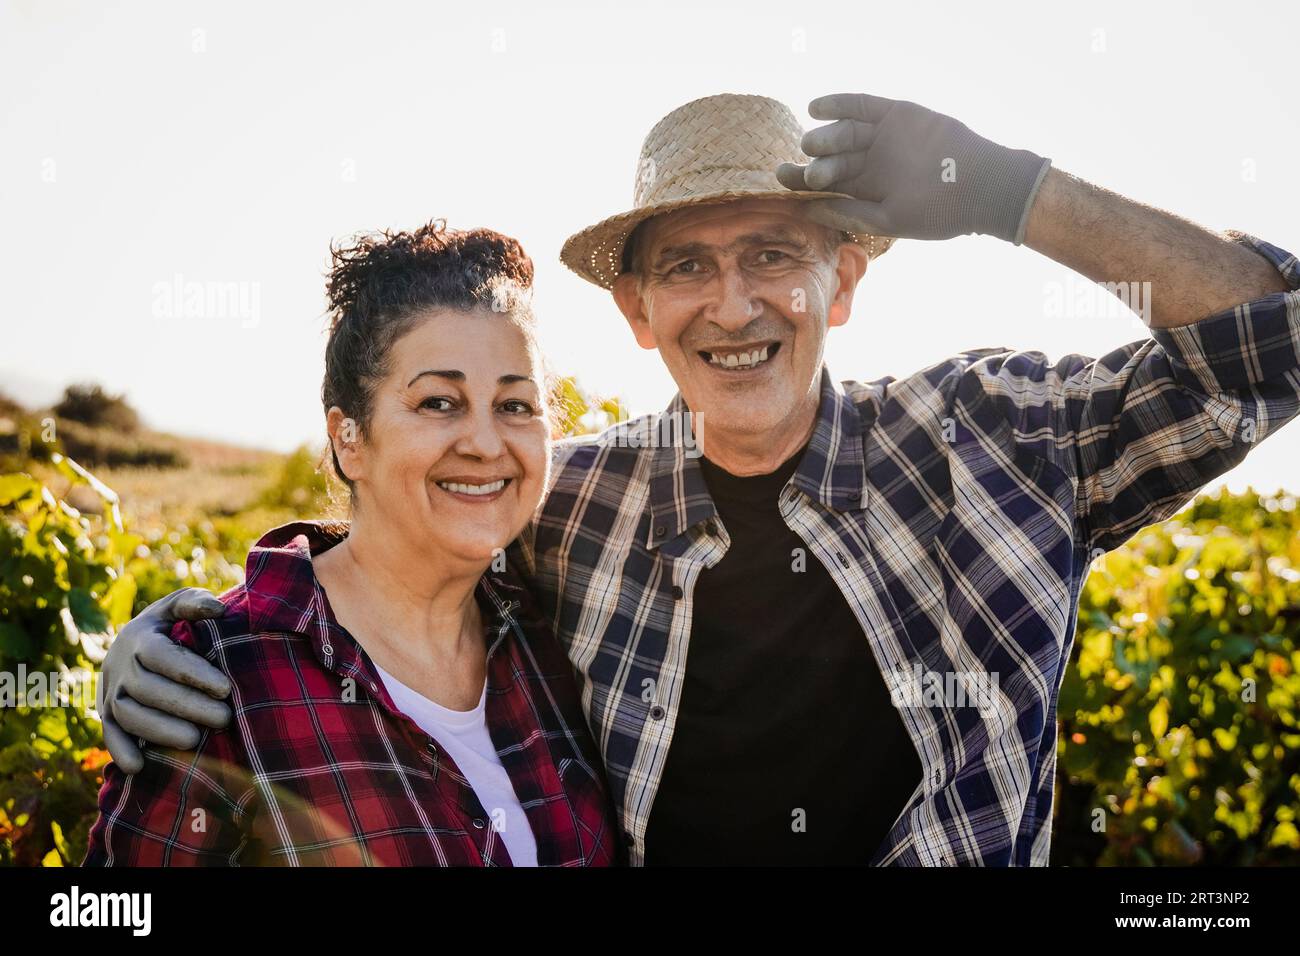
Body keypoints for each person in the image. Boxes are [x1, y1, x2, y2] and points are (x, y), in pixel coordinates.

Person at [97, 92, 1300, 866]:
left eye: (773, 253)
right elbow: (413, 528)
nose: (733, 305)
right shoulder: (578, 501)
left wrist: (1006, 191)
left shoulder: (998, 438)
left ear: (841, 281)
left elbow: (1272, 343)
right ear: (635, 312)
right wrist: (203, 626)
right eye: (686, 267)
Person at [84, 223, 617, 866]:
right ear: (349, 439)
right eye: (438, 402)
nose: (485, 441)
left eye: (515, 405)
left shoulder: (547, 634)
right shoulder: (218, 679)